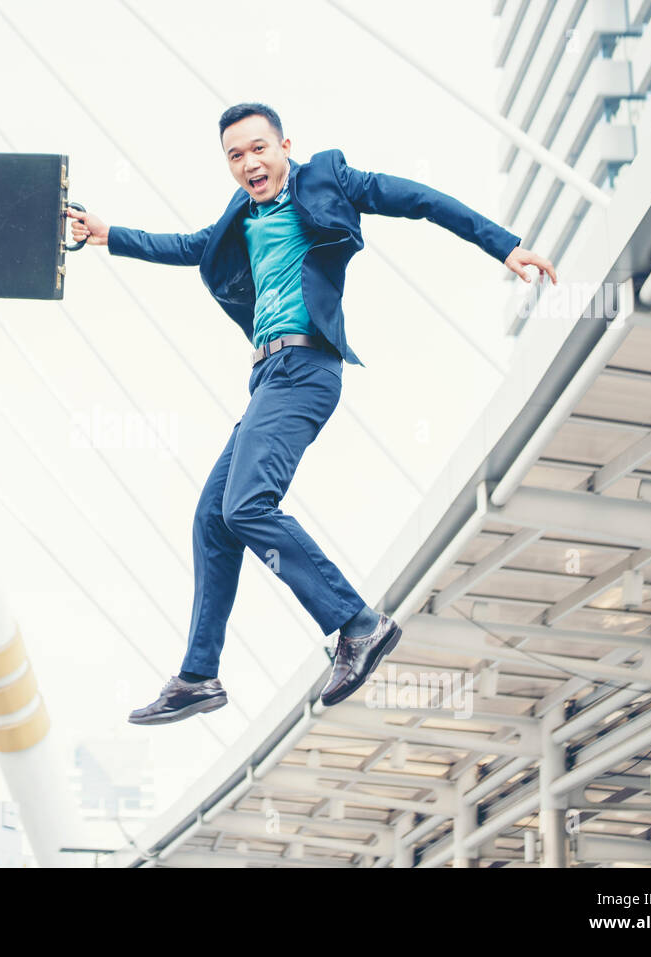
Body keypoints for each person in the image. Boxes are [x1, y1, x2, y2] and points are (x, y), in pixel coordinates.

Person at [66, 103, 556, 726]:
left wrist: (506, 247)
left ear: (284, 145)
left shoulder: (327, 178)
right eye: (235, 156)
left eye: (258, 149)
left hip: (306, 369)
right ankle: (198, 675)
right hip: (267, 378)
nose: (249, 164)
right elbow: (193, 247)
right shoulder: (240, 214)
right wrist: (109, 235)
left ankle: (358, 624)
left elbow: (422, 200)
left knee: (246, 506)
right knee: (214, 520)